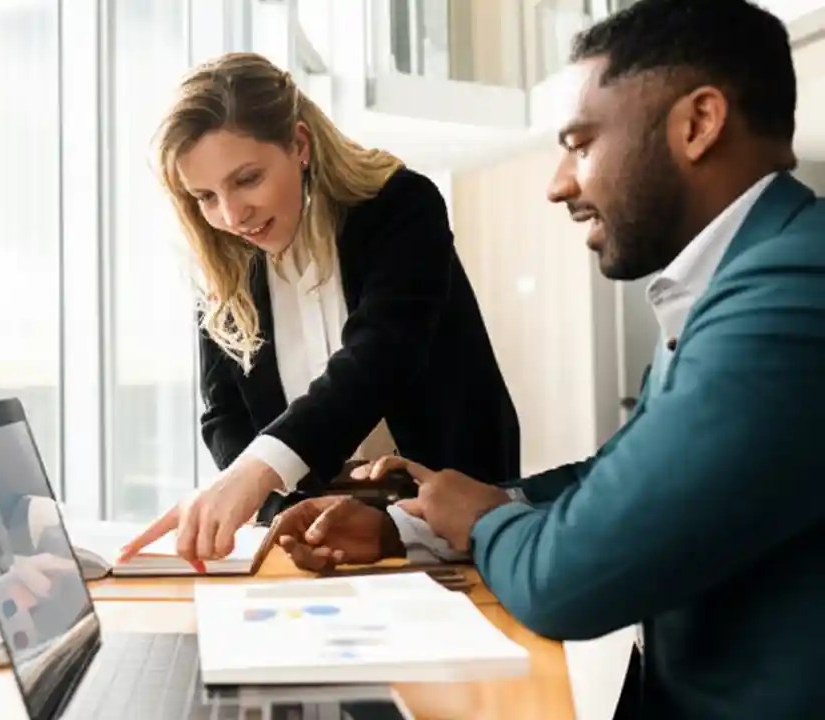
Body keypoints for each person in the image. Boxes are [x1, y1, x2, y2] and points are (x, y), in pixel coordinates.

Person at [273, 1, 825, 717]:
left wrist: (477, 521)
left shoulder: (790, 294)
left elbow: (564, 581)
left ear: (698, 123)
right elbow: (616, 479)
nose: (559, 182)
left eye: (580, 143)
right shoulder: (739, 283)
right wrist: (409, 524)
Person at [119, 52, 519, 569]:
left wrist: (253, 472)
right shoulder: (222, 259)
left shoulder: (402, 206)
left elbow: (379, 359)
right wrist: (275, 506)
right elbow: (224, 413)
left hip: (447, 505)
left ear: (300, 146)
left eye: (247, 179)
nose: (231, 215)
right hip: (321, 529)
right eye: (205, 196)